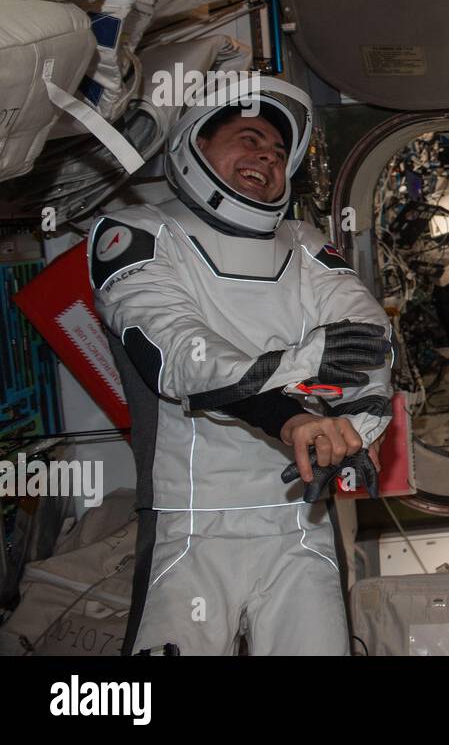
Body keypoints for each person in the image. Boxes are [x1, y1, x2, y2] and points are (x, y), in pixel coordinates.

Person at [90, 77, 393, 655]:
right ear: (193, 147)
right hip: (194, 522)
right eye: (249, 139)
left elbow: (369, 342)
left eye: (279, 154)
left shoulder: (305, 246)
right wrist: (297, 396)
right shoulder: (136, 232)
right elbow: (178, 355)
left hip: (299, 520)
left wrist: (358, 426)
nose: (266, 158)